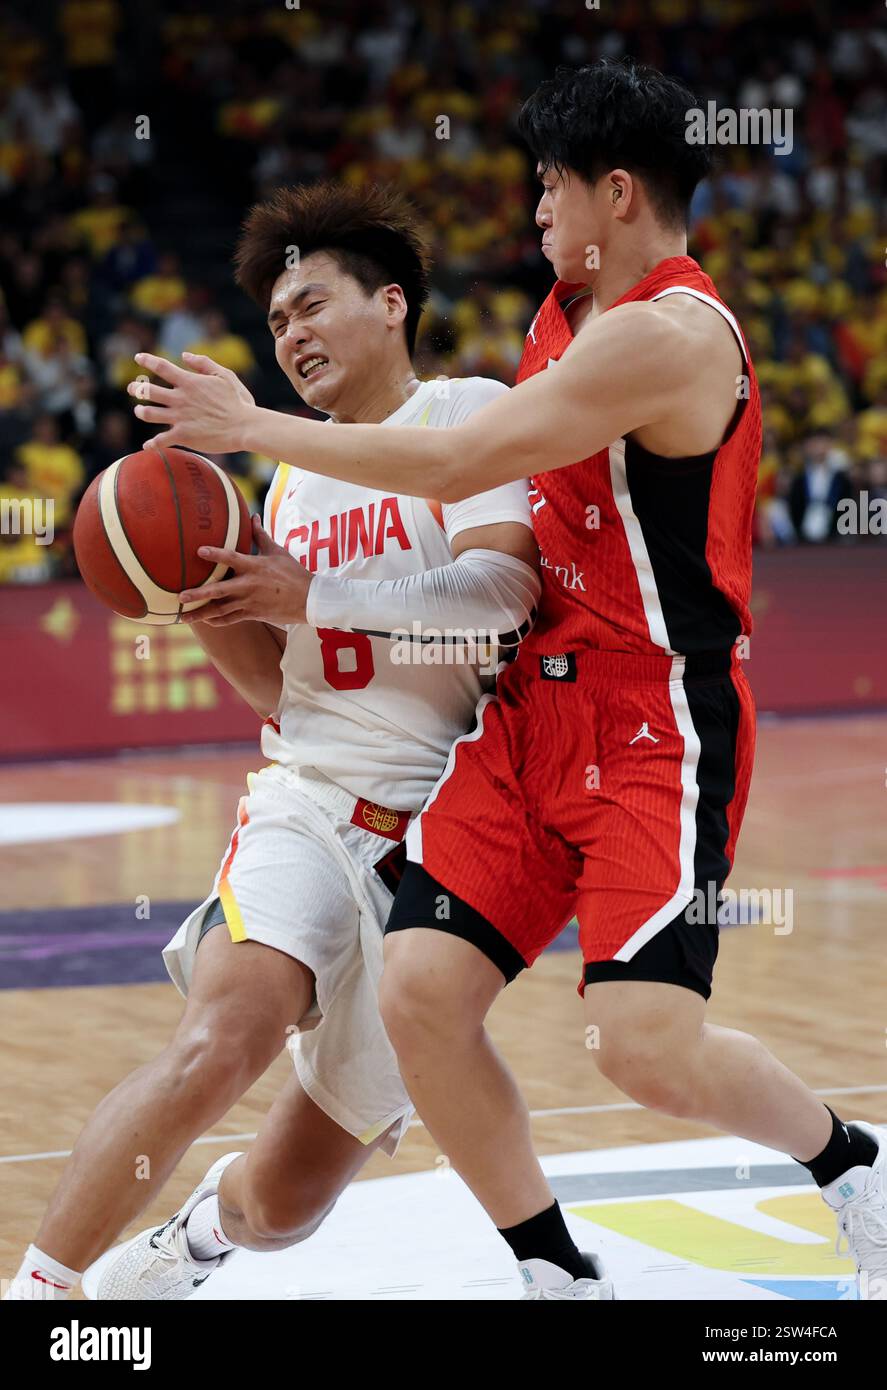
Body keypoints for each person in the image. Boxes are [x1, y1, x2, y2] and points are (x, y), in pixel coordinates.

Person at [126, 60, 887, 1302]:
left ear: (619, 190)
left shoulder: (666, 333)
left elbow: (463, 456)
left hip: (655, 718)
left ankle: (849, 1166)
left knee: (643, 1047)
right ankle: (553, 1272)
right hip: (530, 709)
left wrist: (249, 424)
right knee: (422, 989)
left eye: (549, 185)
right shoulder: (566, 309)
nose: (533, 209)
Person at [5, 181, 542, 1301]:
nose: (290, 334)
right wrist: (203, 612)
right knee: (224, 1034)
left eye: (311, 304)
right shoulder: (287, 479)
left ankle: (189, 1242)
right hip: (309, 799)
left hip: (444, 845)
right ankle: (44, 1298)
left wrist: (313, 592)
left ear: (391, 302)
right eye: (277, 321)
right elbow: (280, 688)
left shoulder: (466, 414)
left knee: (283, 1205)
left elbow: (501, 593)